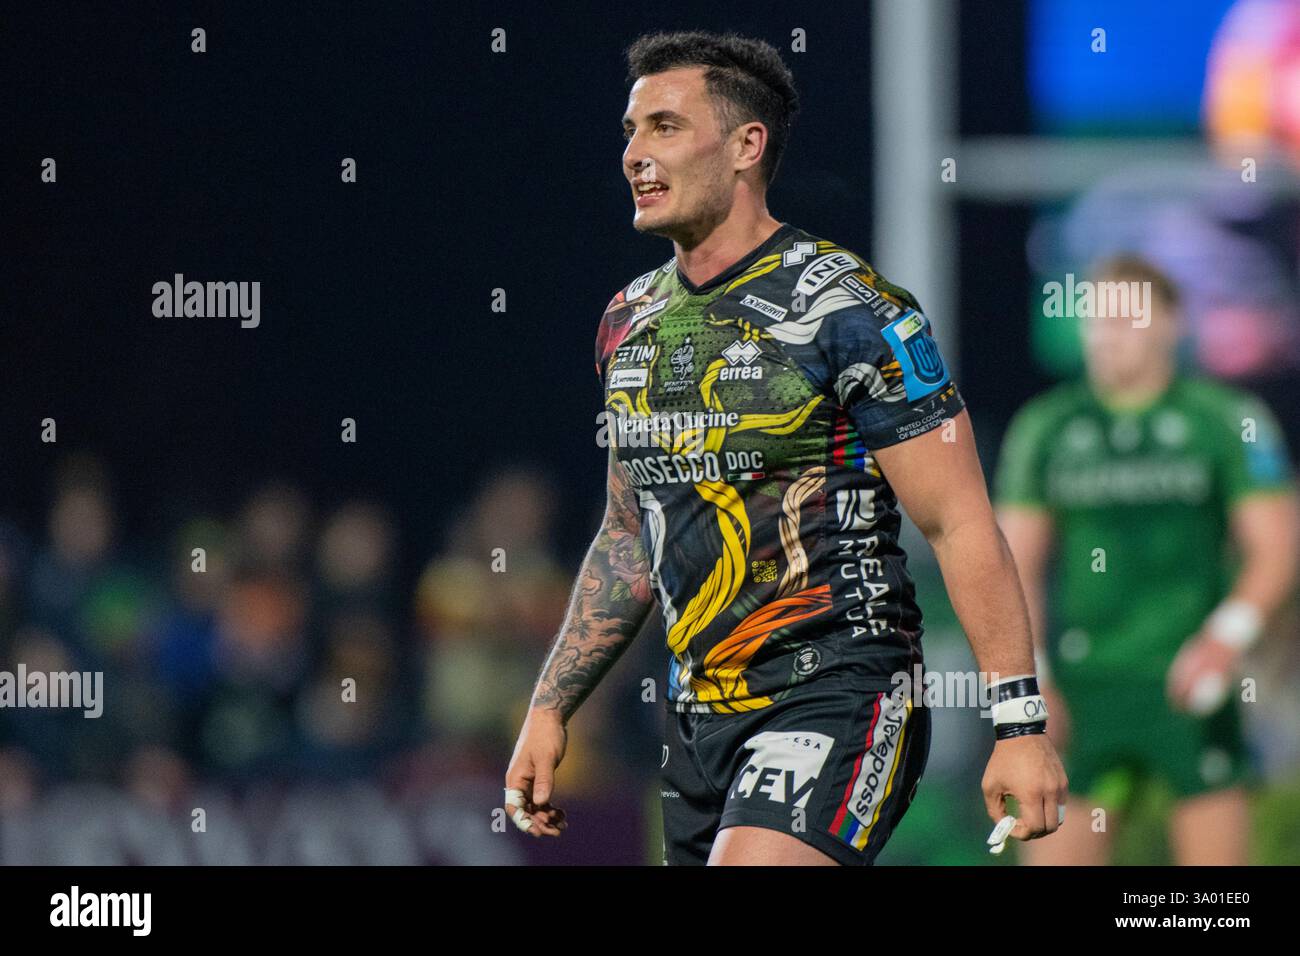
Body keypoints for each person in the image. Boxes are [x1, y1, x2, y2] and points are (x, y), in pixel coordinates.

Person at [504, 29, 1065, 866]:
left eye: (663, 126)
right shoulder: (629, 324)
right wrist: (550, 706)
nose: (634, 154)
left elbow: (957, 521)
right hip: (698, 720)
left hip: (841, 687)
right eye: (630, 131)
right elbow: (629, 536)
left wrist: (1018, 723)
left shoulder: (851, 308)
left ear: (746, 146)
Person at [995, 254, 1299, 865]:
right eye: (1096, 319)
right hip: (1081, 690)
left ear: (1171, 323)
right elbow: (1007, 567)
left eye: (1126, 318)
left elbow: (1277, 547)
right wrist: (1028, 683)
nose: (1107, 334)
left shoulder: (1225, 420)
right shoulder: (1047, 427)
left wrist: (1225, 637)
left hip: (1191, 684)